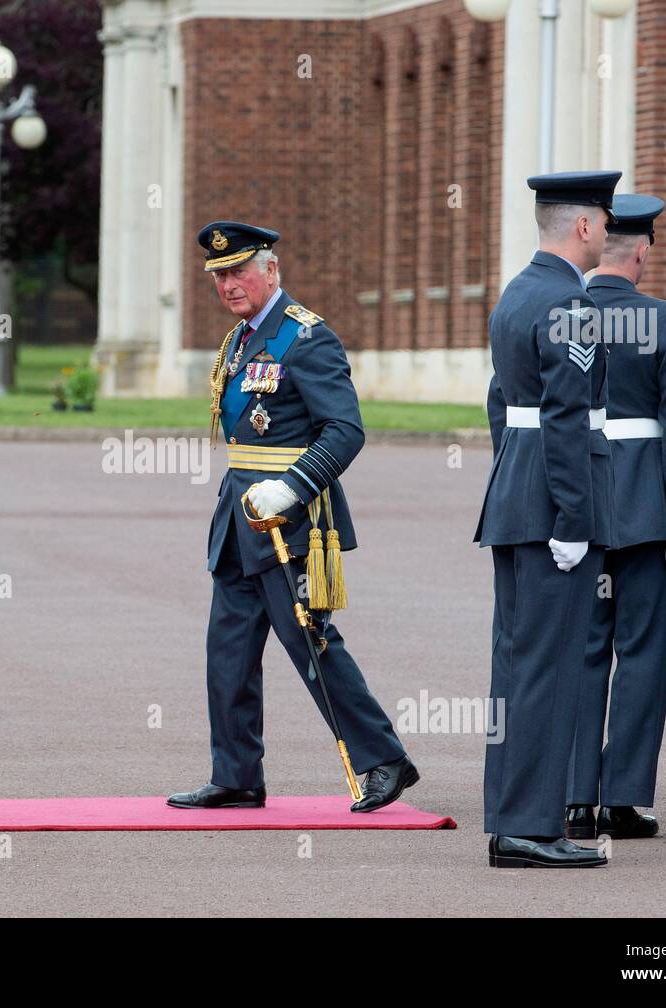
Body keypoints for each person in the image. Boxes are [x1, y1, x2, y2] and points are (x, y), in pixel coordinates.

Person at [167, 221, 416, 814]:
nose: (229, 284)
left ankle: (384, 759)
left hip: (292, 521)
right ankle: (236, 774)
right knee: (227, 648)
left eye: (239, 271)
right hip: (239, 517)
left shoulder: (306, 338)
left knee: (312, 643)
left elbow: (345, 430)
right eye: (220, 275)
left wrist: (292, 488)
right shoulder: (240, 340)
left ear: (270, 270)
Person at [475, 171, 620, 868]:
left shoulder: (519, 293)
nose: (607, 236)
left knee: (518, 665)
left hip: (517, 496)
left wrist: (520, 478)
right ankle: (531, 827)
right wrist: (571, 515)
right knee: (551, 667)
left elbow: (500, 400)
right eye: (603, 222)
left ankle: (514, 818)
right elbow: (566, 416)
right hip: (553, 505)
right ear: (584, 227)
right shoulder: (570, 303)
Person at [565, 195, 666, 842]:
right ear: (641, 252)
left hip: (579, 505)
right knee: (642, 652)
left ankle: (571, 797)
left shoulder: (562, 313)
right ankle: (624, 797)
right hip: (646, 505)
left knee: (582, 651)